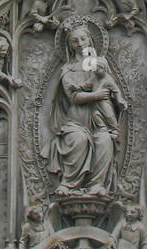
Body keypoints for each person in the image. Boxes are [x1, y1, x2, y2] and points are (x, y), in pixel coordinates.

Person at [42, 24, 127, 198]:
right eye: (74, 41)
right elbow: (73, 97)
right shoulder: (68, 69)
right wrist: (96, 95)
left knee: (104, 141)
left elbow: (110, 86)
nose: (80, 44)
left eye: (83, 39)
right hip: (76, 121)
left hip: (99, 119)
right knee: (78, 140)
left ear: (90, 39)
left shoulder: (100, 65)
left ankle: (96, 185)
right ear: (69, 45)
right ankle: (69, 183)